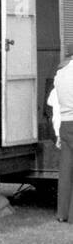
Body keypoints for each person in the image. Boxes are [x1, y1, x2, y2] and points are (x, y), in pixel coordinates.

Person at [47, 48, 73, 223]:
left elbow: (53, 101)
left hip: (65, 123)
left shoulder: (60, 75)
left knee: (66, 170)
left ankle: (62, 213)